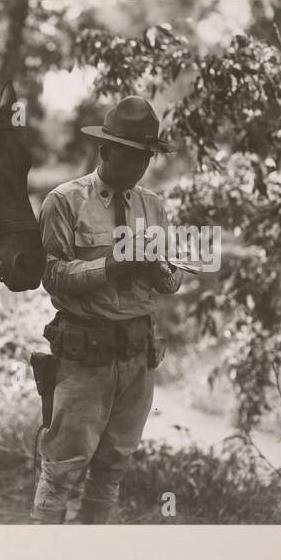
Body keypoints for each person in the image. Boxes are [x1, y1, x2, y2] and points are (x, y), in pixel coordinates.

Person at [30, 96, 181, 525]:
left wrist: (159, 269)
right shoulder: (65, 201)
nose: (138, 166)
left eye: (145, 158)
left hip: (137, 353)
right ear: (105, 151)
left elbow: (172, 281)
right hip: (84, 353)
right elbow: (53, 275)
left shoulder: (153, 206)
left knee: (112, 468)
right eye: (130, 156)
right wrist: (110, 268)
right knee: (61, 469)